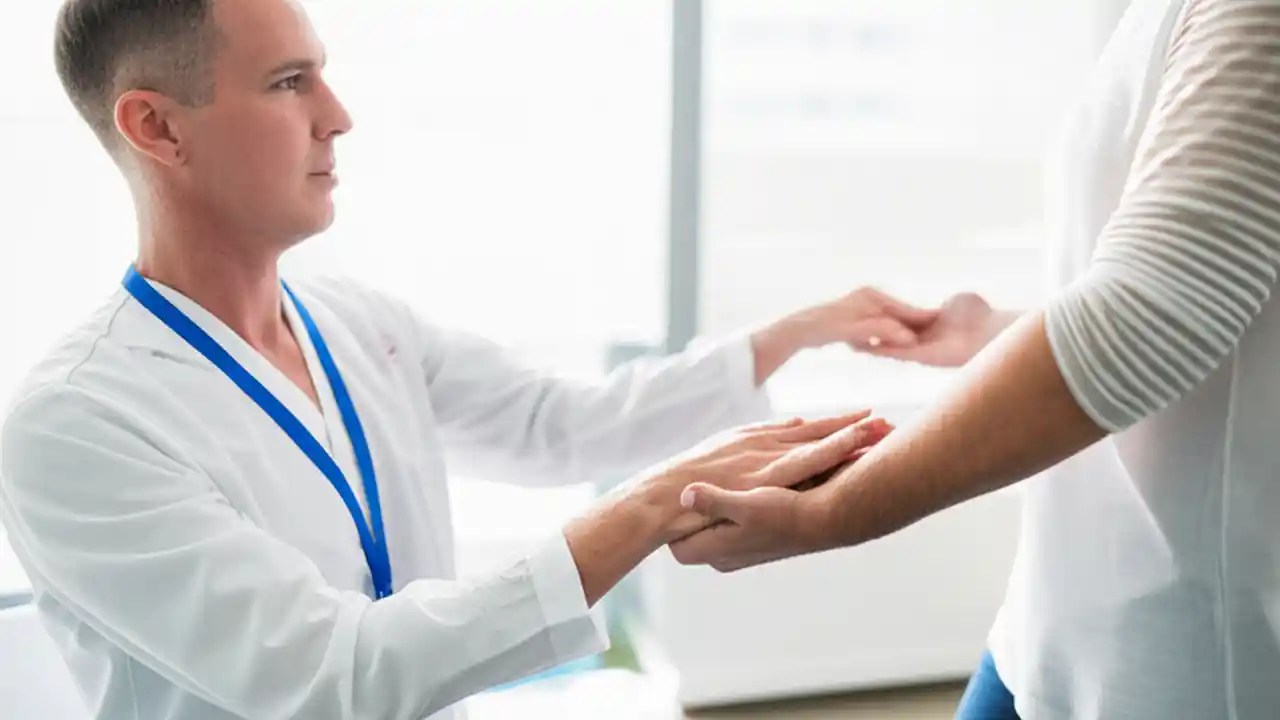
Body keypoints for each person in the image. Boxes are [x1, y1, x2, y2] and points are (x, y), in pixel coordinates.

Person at [0, 1, 943, 718]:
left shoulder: (359, 325)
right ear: (158, 128)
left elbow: (564, 426)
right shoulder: (79, 425)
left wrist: (797, 331)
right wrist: (649, 506)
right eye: (289, 83)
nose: (338, 115)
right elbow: (333, 675)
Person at [671, 1, 1280, 718]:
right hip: (1051, 623)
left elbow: (1146, 323)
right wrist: (996, 332)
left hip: (1175, 663)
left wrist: (833, 510)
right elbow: (1203, 294)